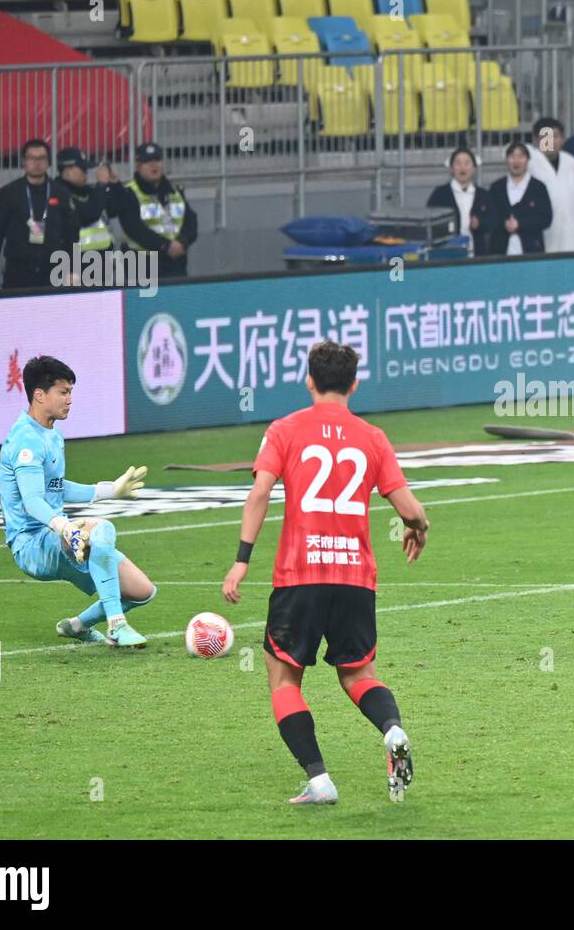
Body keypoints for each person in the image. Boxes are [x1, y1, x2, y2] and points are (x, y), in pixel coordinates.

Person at [221, 340, 429, 805]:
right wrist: (420, 526)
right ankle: (392, 730)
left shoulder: (284, 430)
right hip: (355, 577)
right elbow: (409, 508)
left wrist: (242, 559)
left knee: (284, 679)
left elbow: (259, 493)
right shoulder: (373, 437)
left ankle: (319, 780)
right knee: (358, 675)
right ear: (354, 384)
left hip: (301, 574)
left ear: (309, 381)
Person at [0, 355, 154, 648]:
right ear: (39, 395)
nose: (69, 399)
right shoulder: (26, 440)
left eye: (70, 392)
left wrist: (110, 490)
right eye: (63, 392)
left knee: (142, 591)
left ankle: (77, 626)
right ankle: (117, 626)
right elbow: (32, 501)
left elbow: (55, 488)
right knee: (102, 529)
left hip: (57, 537)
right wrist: (64, 527)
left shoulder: (51, 434)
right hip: (31, 544)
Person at [0, 139, 79, 290]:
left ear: (48, 162)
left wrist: (72, 268)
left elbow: (71, 233)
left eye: (41, 158)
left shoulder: (60, 193)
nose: (36, 163)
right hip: (18, 269)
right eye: (31, 158)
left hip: (53, 268)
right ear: (23, 162)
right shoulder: (9, 193)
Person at [115, 142, 197, 278]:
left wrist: (182, 242)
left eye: (157, 160)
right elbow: (134, 228)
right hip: (141, 267)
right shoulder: (128, 193)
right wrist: (165, 246)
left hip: (175, 265)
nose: (154, 165)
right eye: (148, 161)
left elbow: (191, 221)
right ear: (138, 165)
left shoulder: (175, 191)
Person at [485, 142, 553, 255]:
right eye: (512, 156)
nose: (516, 161)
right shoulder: (496, 187)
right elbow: (489, 217)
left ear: (528, 160)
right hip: (499, 251)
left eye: (521, 156)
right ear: (506, 160)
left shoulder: (538, 187)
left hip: (531, 251)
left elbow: (546, 218)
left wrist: (520, 224)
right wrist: (504, 224)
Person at [527, 117, 574, 253]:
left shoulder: (571, 162)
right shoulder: (530, 161)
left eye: (555, 136)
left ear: (563, 139)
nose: (550, 142)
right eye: (545, 137)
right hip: (544, 231)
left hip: (572, 231)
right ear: (535, 140)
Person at [426, 147, 492, 255]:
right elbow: (430, 222)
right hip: (447, 253)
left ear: (473, 168)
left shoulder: (483, 194)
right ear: (452, 168)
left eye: (467, 163)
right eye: (458, 163)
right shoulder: (440, 194)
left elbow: (493, 221)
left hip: (477, 253)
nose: (462, 167)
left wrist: (479, 223)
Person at [56, 147, 118, 259]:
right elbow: (89, 214)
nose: (86, 174)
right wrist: (101, 186)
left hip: (103, 262)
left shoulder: (87, 191)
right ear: (67, 170)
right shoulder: (58, 194)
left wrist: (115, 184)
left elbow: (117, 208)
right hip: (73, 263)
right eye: (83, 169)